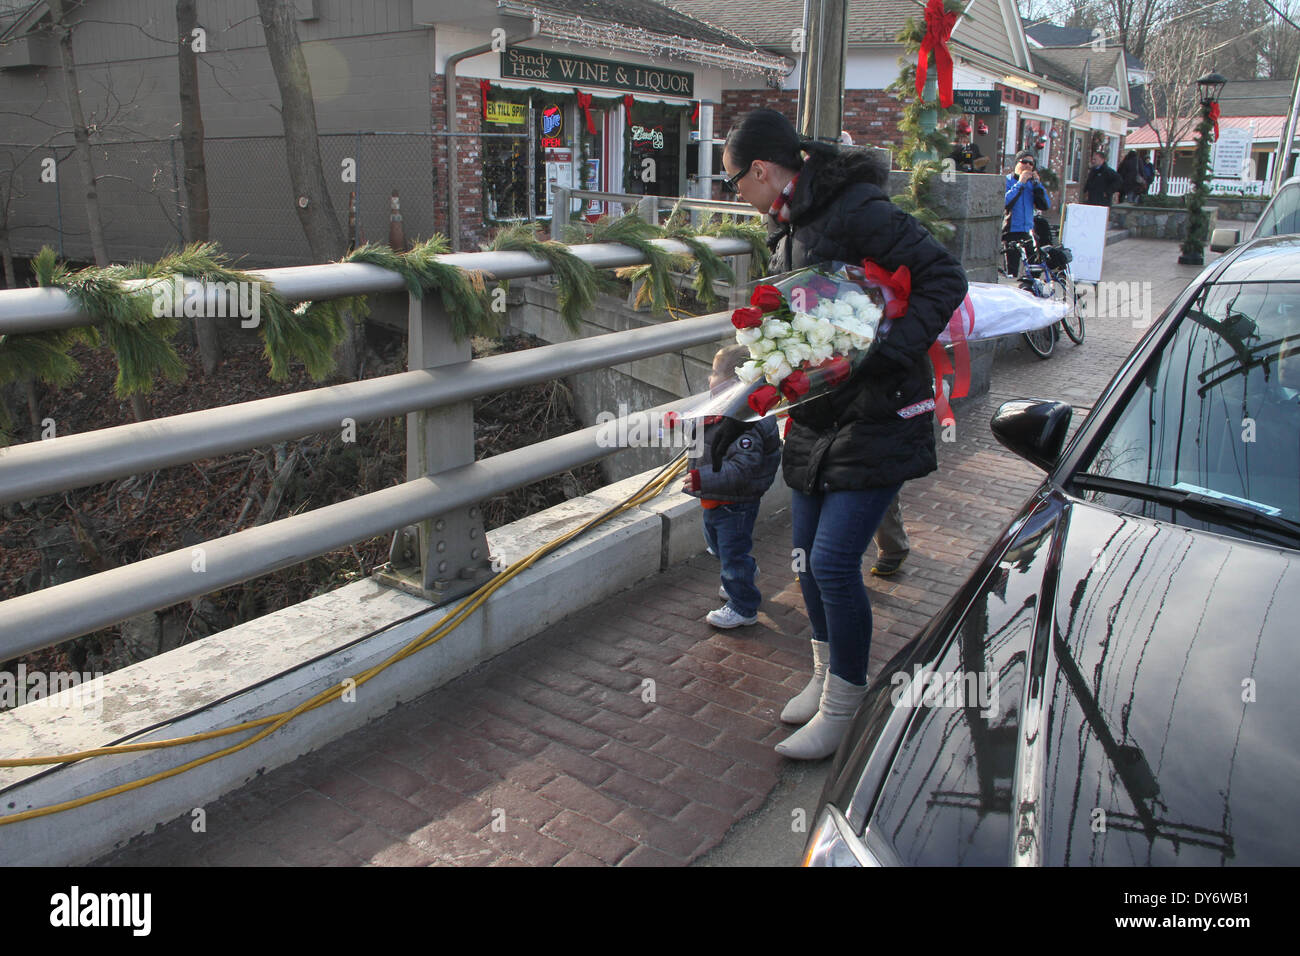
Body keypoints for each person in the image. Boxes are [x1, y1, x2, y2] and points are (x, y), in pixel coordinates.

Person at [720, 108, 968, 760]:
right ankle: (824, 678)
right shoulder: (790, 229)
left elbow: (944, 275)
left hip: (878, 415)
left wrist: (890, 349)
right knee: (805, 561)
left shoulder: (858, 209)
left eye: (734, 180)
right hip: (818, 415)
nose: (734, 194)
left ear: (764, 169)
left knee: (832, 562)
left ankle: (844, 704)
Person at [681, 344, 782, 629]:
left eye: (714, 373)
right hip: (717, 498)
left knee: (731, 549)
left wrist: (704, 479)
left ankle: (743, 605)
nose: (709, 379)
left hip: (735, 501)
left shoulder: (747, 422)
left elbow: (742, 468)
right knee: (716, 543)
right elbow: (707, 434)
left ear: (735, 382)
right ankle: (743, 571)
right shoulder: (727, 407)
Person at [1004, 150, 1050, 279]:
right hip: (1011, 231)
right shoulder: (1008, 181)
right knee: (1011, 272)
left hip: (1028, 231)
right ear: (1016, 163)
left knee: (1034, 270)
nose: (1028, 166)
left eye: (1031, 164)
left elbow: (1045, 205)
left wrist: (1038, 185)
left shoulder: (1032, 184)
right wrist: (1020, 183)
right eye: (1024, 162)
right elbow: (1005, 203)